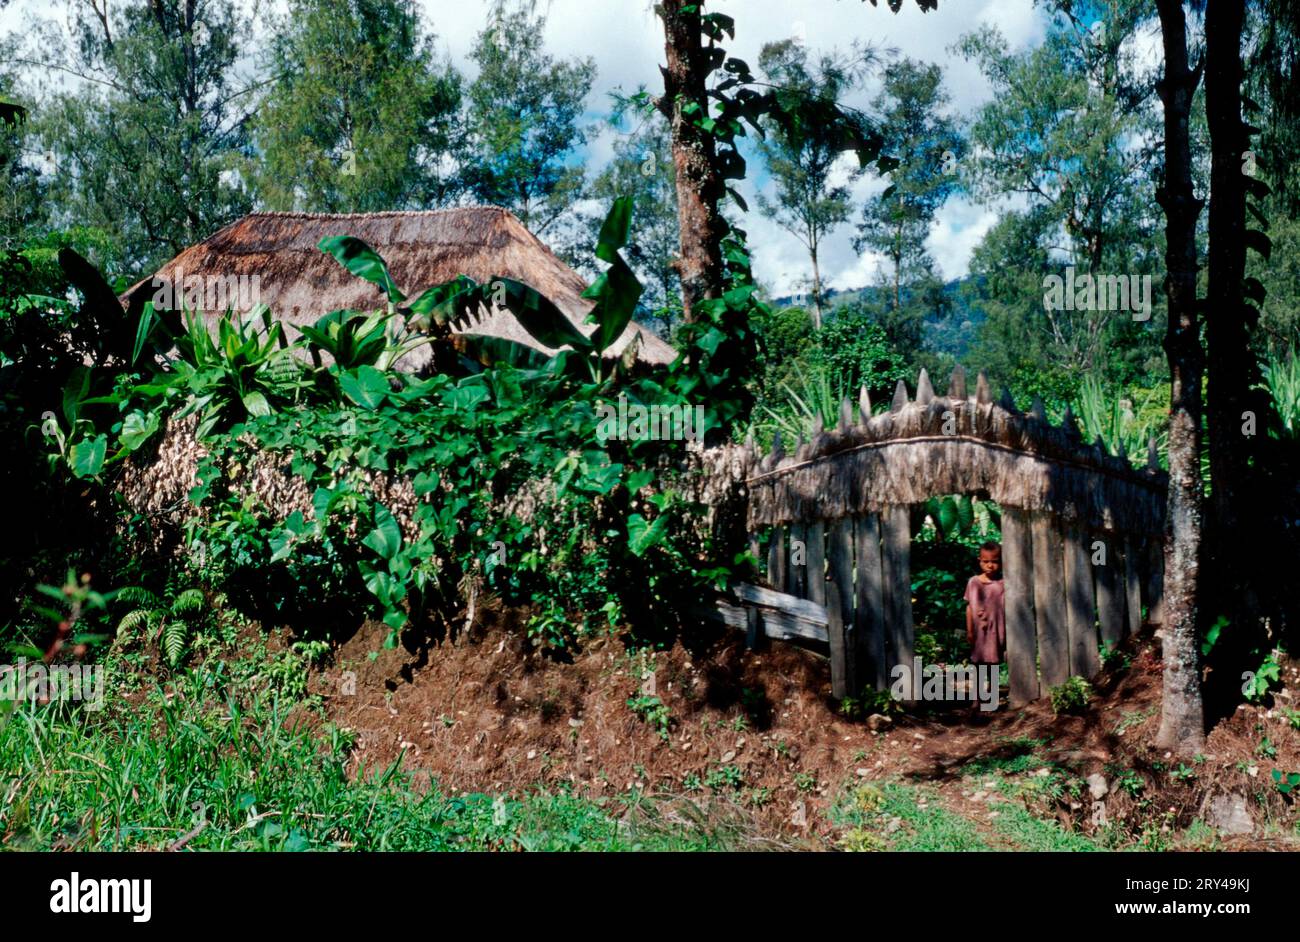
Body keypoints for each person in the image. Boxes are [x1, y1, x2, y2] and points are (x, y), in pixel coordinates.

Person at [964, 541, 1005, 666]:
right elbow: (970, 607)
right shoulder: (974, 582)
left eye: (995, 561)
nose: (990, 566)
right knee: (978, 660)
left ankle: (992, 685)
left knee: (994, 661)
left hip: (997, 631)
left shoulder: (1003, 583)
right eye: (986, 562)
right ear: (979, 560)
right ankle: (979, 685)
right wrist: (970, 630)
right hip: (979, 631)